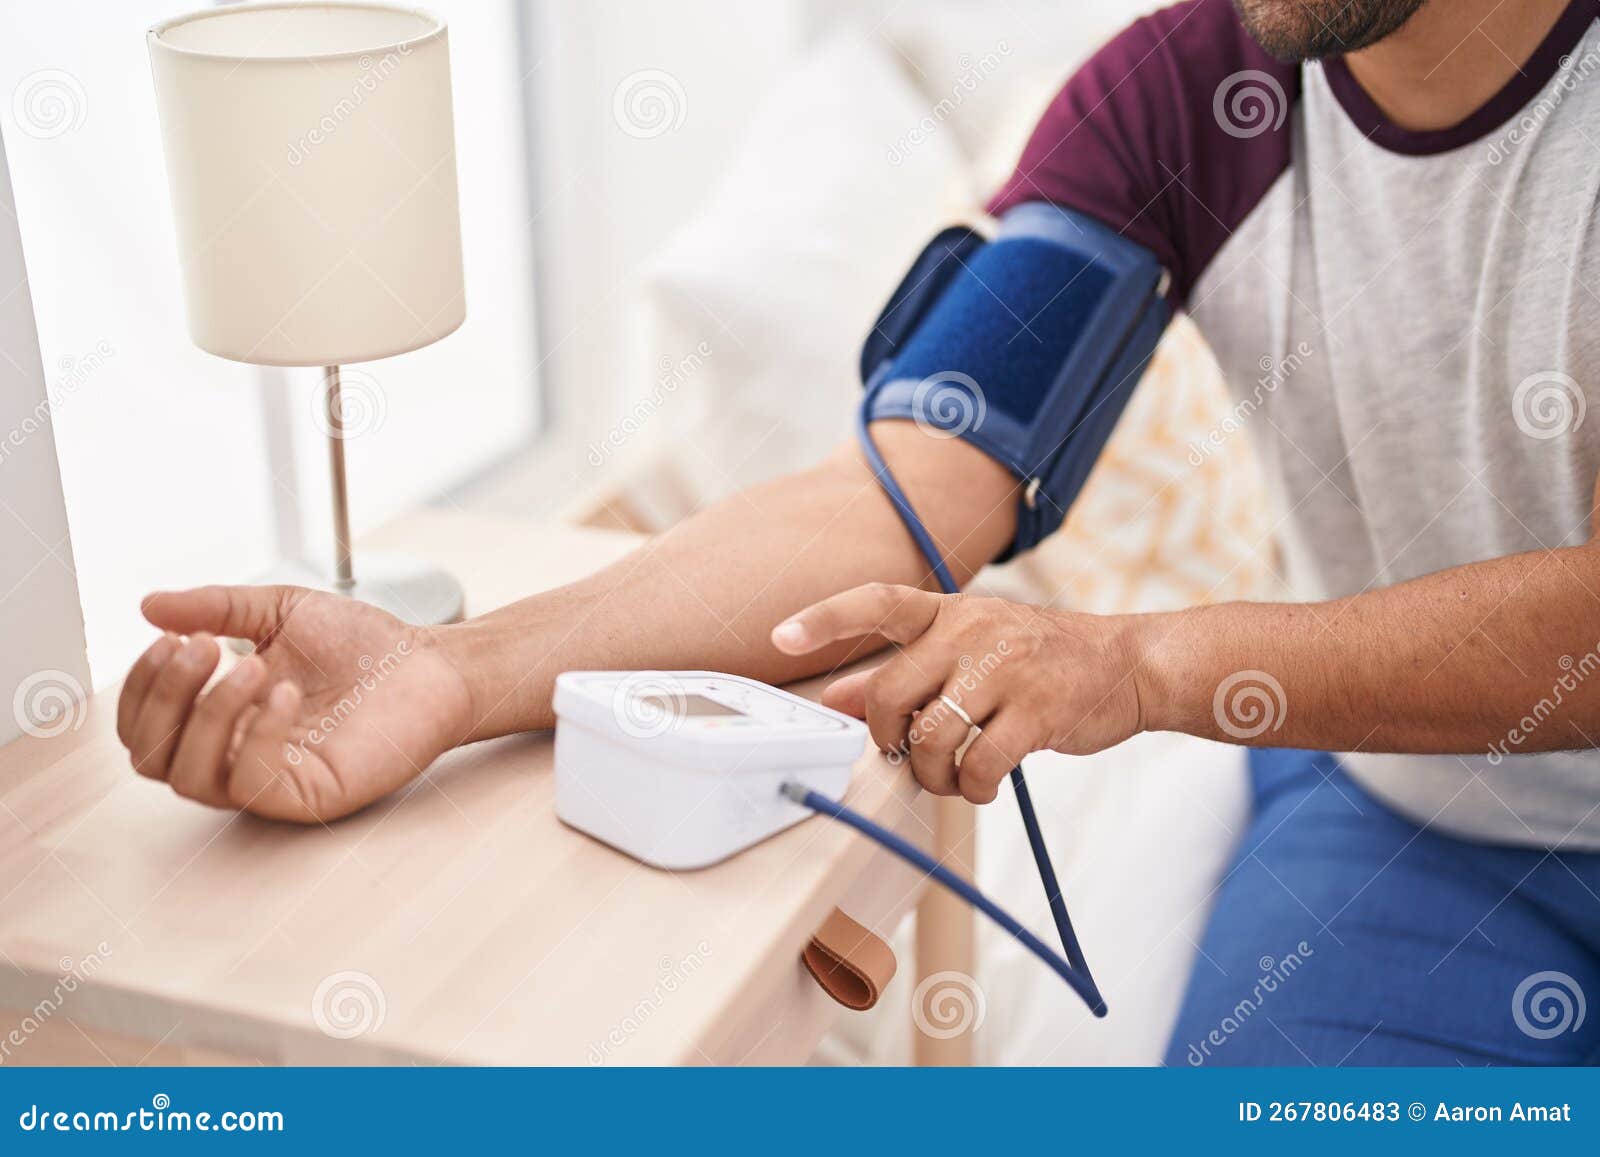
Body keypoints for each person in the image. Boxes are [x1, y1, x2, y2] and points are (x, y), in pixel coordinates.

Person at [117, 0, 1600, 1065]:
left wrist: (1141, 663)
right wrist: (448, 674)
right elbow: (893, 499)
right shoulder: (1191, 93)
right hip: (1413, 815)